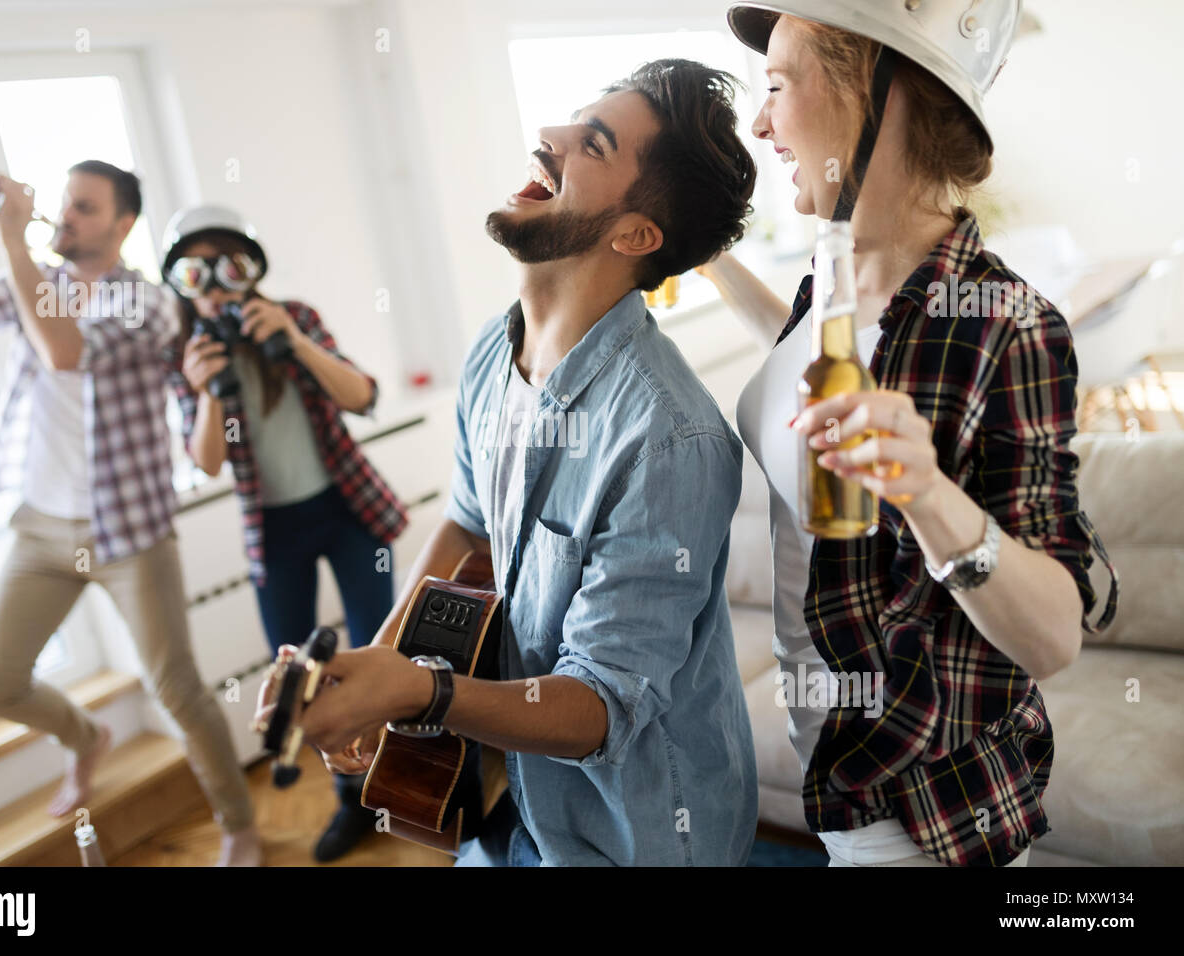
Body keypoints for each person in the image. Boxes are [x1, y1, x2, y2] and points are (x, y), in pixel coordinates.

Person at [257, 59, 760, 866]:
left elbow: (601, 705)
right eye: (571, 121)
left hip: (637, 833)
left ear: (634, 235)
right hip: (510, 796)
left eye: (591, 142)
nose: (549, 138)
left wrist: (420, 691)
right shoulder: (496, 352)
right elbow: (468, 524)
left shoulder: (671, 439)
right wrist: (376, 669)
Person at [723, 1, 1118, 866]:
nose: (759, 122)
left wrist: (926, 493)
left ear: (877, 91)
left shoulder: (1007, 323)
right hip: (825, 764)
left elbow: (1054, 636)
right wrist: (713, 258)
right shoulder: (833, 273)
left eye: (778, 87)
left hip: (919, 814)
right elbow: (807, 373)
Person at [0, 162, 261, 865]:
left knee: (180, 692)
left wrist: (14, 242)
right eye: (65, 204)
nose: (65, 217)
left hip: (131, 533)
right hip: (41, 527)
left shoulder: (149, 304)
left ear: (123, 224)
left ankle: (239, 823)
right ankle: (84, 738)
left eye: (84, 207)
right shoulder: (38, 285)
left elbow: (64, 352)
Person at [163, 205, 407, 862]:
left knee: (381, 651)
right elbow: (207, 460)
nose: (216, 284)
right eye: (196, 272)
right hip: (273, 530)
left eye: (230, 266)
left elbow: (363, 395)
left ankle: (415, 784)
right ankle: (350, 803)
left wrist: (294, 344)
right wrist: (210, 388)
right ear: (179, 283)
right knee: (296, 671)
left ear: (252, 269)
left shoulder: (294, 316)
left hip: (348, 509)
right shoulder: (186, 356)